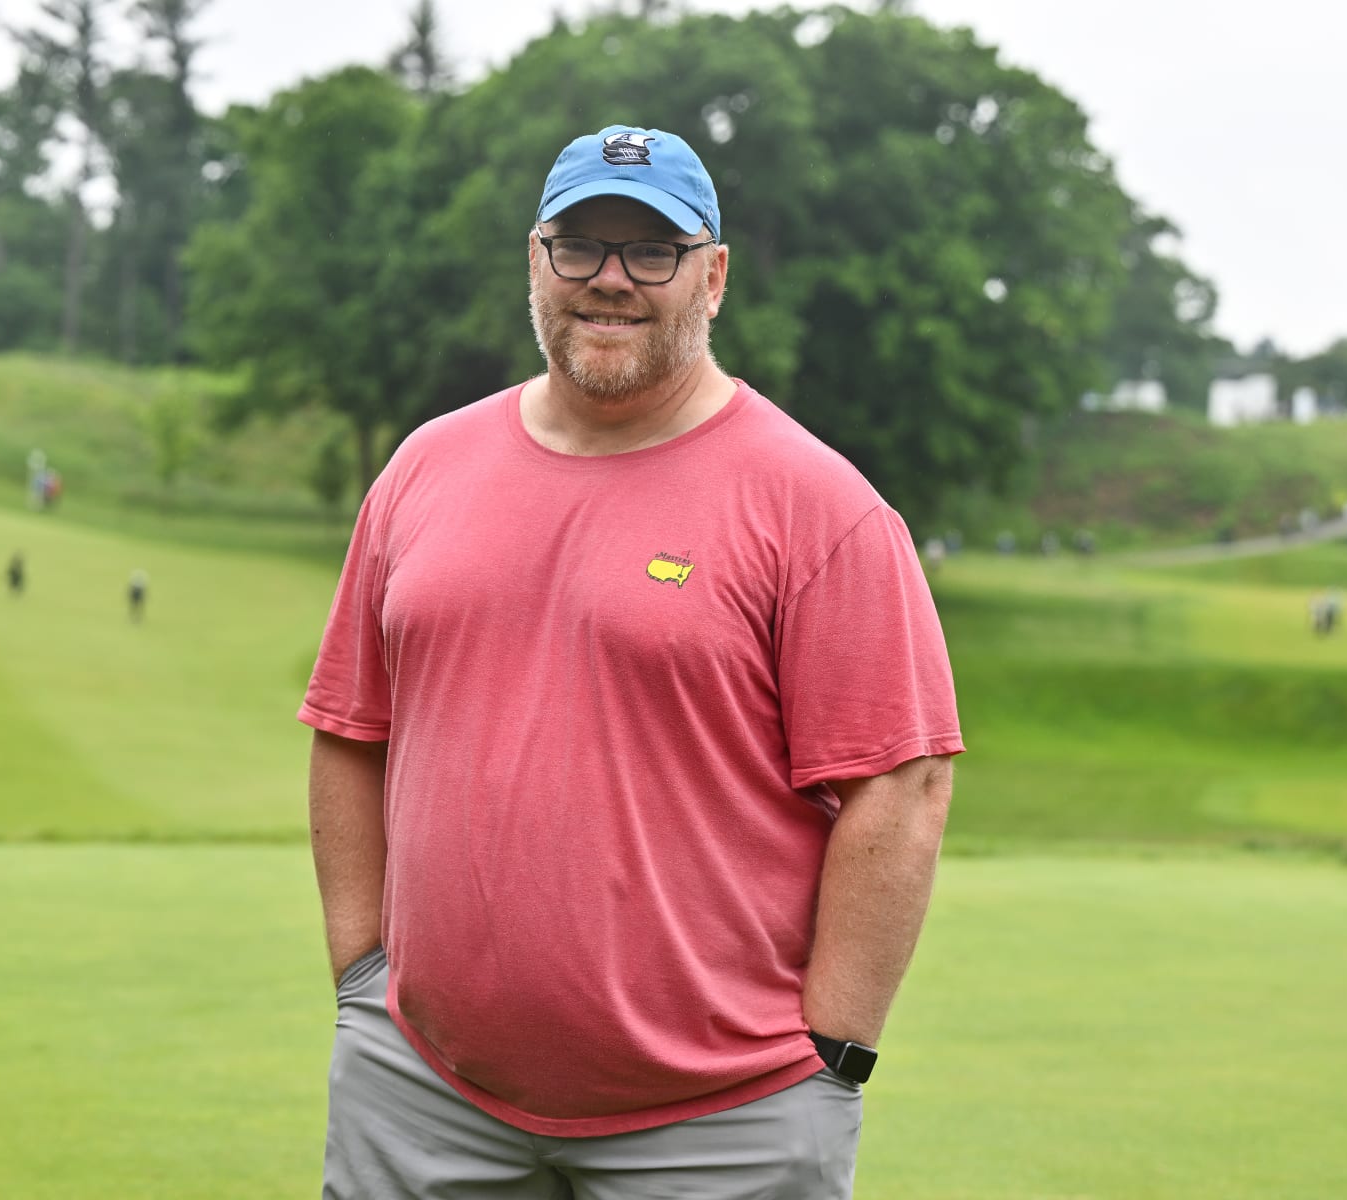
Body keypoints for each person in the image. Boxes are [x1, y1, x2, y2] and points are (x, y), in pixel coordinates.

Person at [299, 124, 965, 1199]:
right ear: (535, 260)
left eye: (651, 251)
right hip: (420, 1093)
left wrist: (831, 1058)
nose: (610, 280)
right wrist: (365, 980)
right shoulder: (425, 468)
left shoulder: (818, 504)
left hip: (724, 1122)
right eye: (580, 246)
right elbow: (349, 728)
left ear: (714, 275)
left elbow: (903, 782)